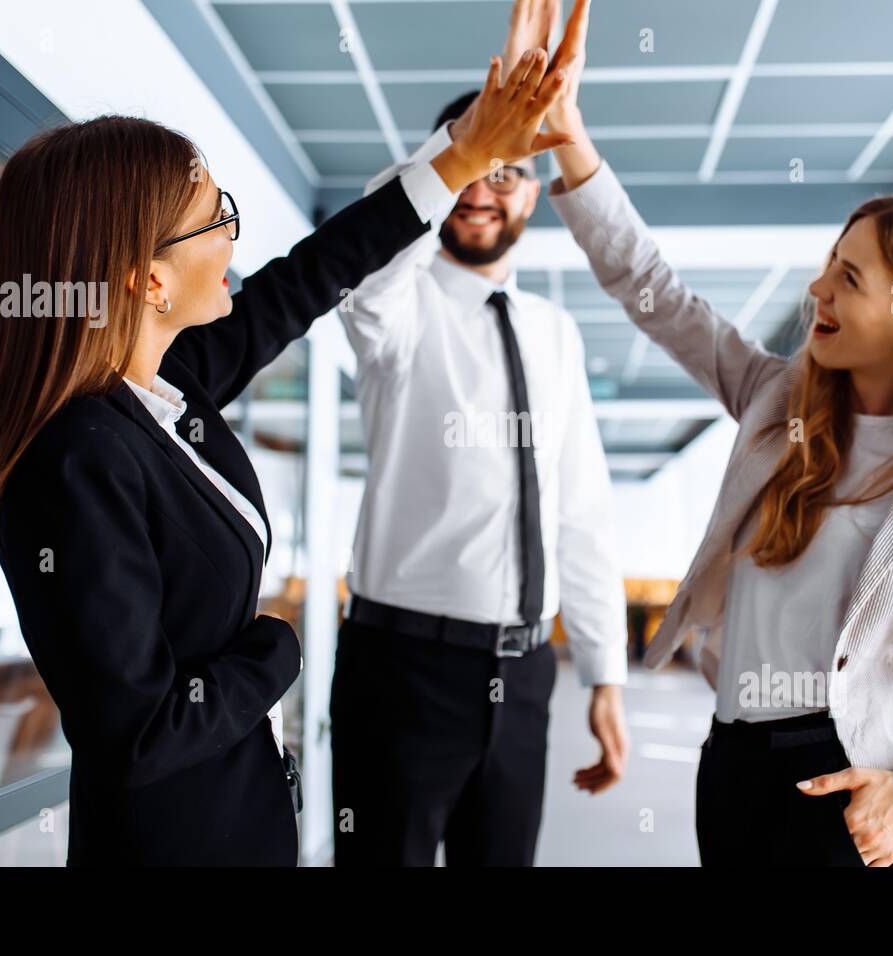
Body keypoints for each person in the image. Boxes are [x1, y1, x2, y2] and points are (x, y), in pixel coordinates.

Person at [536, 0, 893, 865]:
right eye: (827, 266)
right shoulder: (774, 399)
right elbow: (650, 286)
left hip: (852, 791)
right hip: (727, 768)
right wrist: (567, 134)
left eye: (848, 277)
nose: (817, 290)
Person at [0, 53, 572, 865]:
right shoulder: (75, 461)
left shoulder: (163, 390)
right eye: (215, 220)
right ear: (147, 279)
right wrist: (276, 650)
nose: (233, 236)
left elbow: (309, 277)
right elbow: (142, 734)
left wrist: (458, 157)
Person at [329, 0, 629, 867]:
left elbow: (581, 511)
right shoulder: (397, 307)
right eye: (473, 169)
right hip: (402, 666)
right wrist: (468, 140)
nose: (486, 189)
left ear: (535, 191)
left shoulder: (554, 332)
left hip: (527, 673)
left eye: (509, 172)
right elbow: (377, 249)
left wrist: (605, 671)